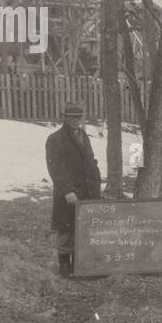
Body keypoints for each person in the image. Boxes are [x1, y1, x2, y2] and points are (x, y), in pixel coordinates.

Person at [45, 102, 102, 274]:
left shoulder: (83, 135)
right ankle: (64, 266)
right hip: (68, 192)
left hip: (87, 190)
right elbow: (55, 167)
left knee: (83, 227)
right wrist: (67, 190)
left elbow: (90, 161)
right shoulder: (55, 139)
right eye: (72, 117)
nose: (76, 121)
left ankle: (79, 264)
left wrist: (96, 183)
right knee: (66, 228)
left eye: (79, 117)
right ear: (65, 118)